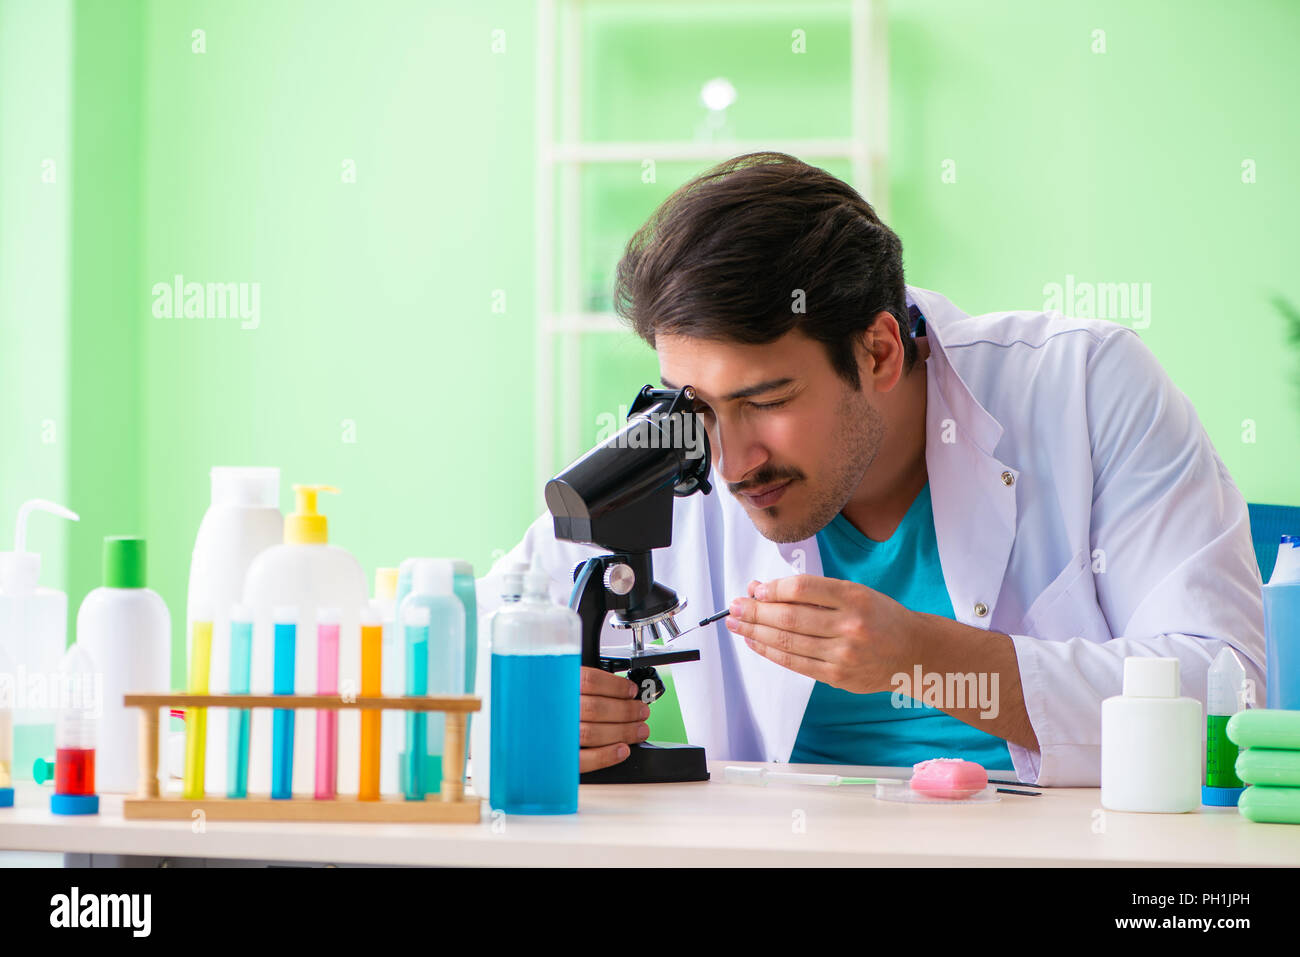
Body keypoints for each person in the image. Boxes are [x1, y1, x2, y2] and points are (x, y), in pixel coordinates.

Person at [477, 152, 1265, 786]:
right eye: (700, 406)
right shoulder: (681, 445)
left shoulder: (1086, 388)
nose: (730, 459)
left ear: (881, 350)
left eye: (768, 398)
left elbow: (1228, 693)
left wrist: (926, 658)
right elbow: (477, 640)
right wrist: (530, 710)